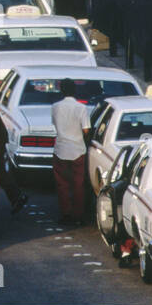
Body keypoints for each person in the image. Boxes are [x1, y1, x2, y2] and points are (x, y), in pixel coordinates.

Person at [50, 79, 91, 225]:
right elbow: (86, 130)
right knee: (78, 184)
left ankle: (65, 213)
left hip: (60, 148)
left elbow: (55, 125)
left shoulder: (55, 107)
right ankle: (78, 216)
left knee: (62, 184)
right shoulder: (81, 108)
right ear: (75, 91)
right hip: (78, 149)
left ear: (62, 91)